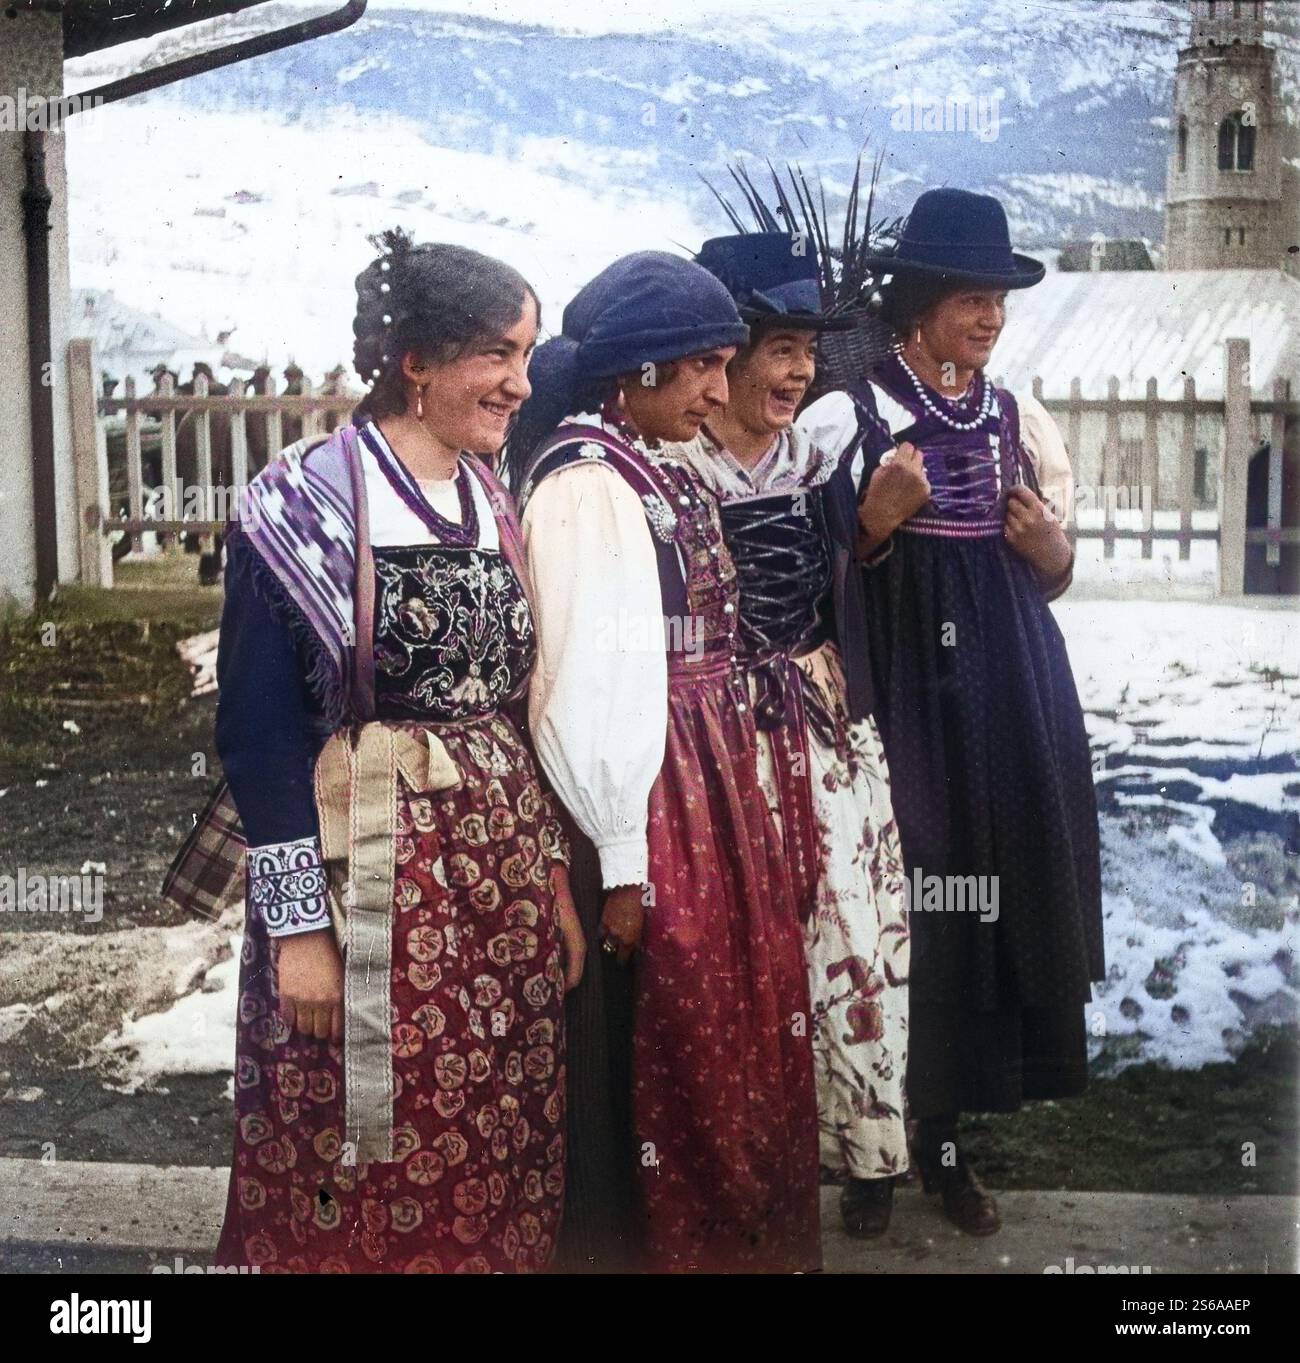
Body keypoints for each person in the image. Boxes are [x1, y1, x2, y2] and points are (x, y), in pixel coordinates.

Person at [165, 229, 584, 1272]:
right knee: (357, 1138)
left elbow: (514, 709)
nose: (521, 384)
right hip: (366, 885)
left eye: (527, 355)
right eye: (500, 356)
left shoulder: (492, 494)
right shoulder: (304, 503)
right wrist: (299, 931)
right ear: (418, 362)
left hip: (499, 885)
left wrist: (555, 887)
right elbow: (258, 737)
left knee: (496, 1134)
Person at [507, 250, 822, 1273]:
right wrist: (623, 858)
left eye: (724, 366)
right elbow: (581, 690)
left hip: (695, 776)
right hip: (637, 795)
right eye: (698, 371)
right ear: (637, 373)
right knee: (640, 1032)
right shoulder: (587, 486)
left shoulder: (647, 468)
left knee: (706, 1028)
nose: (718, 393)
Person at [798, 188, 1103, 1236]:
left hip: (1010, 690)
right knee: (906, 903)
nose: (988, 318)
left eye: (998, 300)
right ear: (919, 304)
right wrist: (871, 527)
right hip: (902, 695)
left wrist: (1048, 555)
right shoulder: (850, 416)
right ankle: (873, 1157)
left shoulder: (1016, 418)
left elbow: (1055, 566)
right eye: (969, 298)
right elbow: (806, 576)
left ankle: (944, 1143)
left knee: (984, 902)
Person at [673, 231, 910, 1239]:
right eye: (779, 348)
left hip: (819, 723)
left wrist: (876, 529)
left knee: (852, 933)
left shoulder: (819, 460)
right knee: (745, 950)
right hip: (715, 745)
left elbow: (850, 584)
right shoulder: (664, 472)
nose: (799, 370)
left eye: (807, 350)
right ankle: (748, 1160)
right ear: (720, 360)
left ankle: (866, 1151)